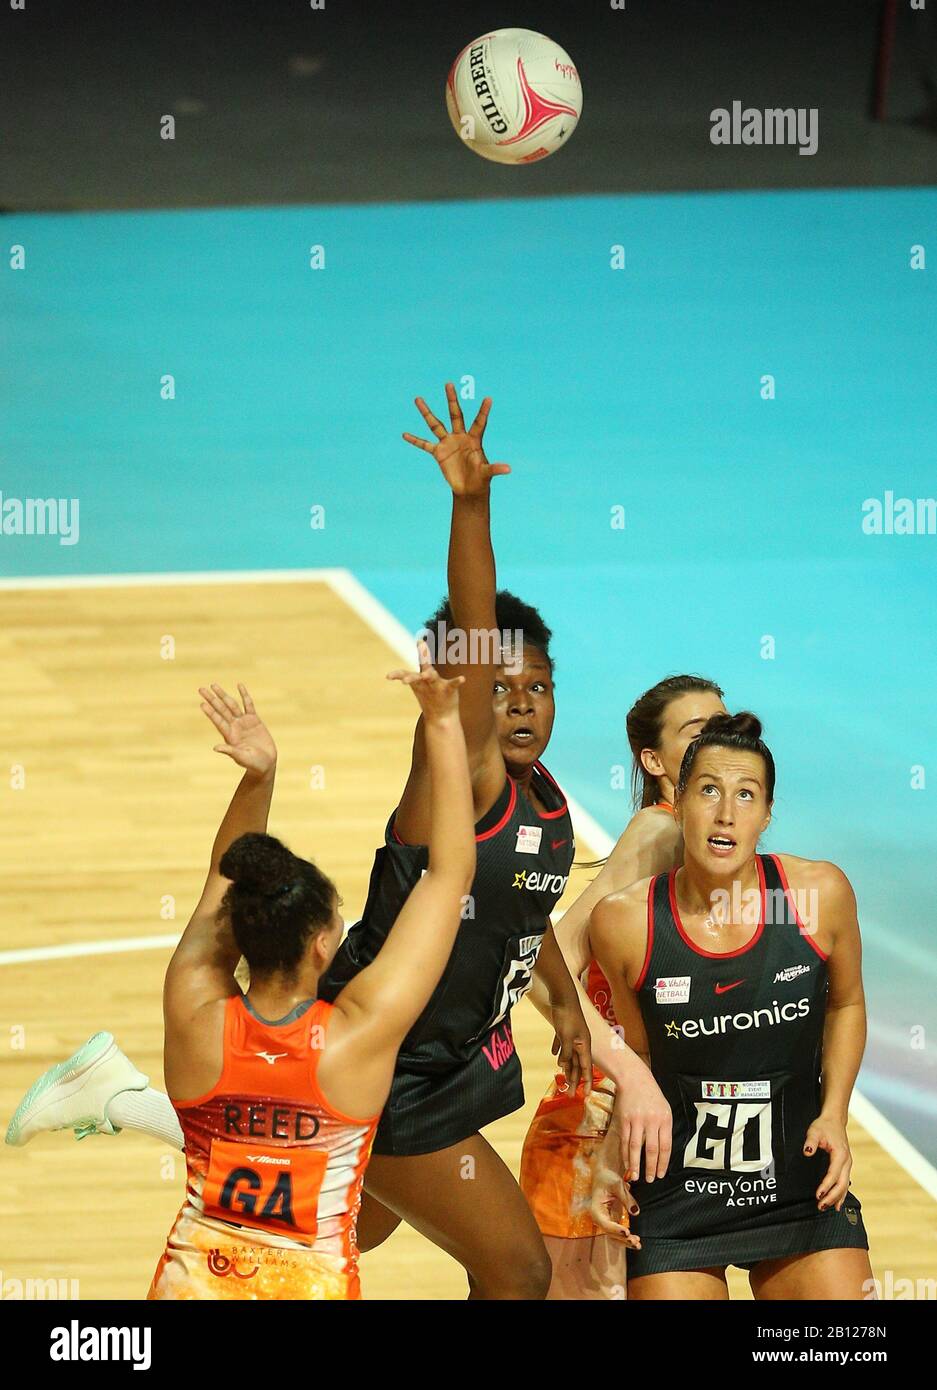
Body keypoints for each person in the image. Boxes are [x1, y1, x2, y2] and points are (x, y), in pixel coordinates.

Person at [589, 711, 873, 1300]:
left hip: (797, 1182)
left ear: (766, 815)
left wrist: (835, 1114)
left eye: (746, 796)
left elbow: (845, 1004)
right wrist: (610, 1157)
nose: (725, 813)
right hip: (675, 1197)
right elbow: (641, 1057)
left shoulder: (818, 895)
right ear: (680, 803)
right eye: (709, 791)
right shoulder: (625, 923)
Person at [520, 675, 727, 1299]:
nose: (716, 742)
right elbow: (535, 961)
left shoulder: (714, 851)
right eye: (696, 734)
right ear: (655, 761)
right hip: (599, 1122)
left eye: (724, 727)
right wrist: (623, 1072)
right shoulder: (661, 831)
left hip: (672, 1127)